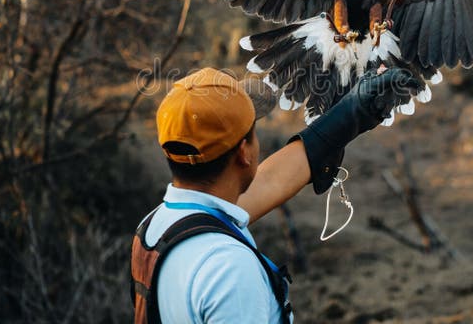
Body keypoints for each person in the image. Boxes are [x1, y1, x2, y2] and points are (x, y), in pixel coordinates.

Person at [130, 66, 419, 323]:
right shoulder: (229, 270)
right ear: (245, 152)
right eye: (253, 130)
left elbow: (271, 180)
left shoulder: (159, 226)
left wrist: (356, 110)